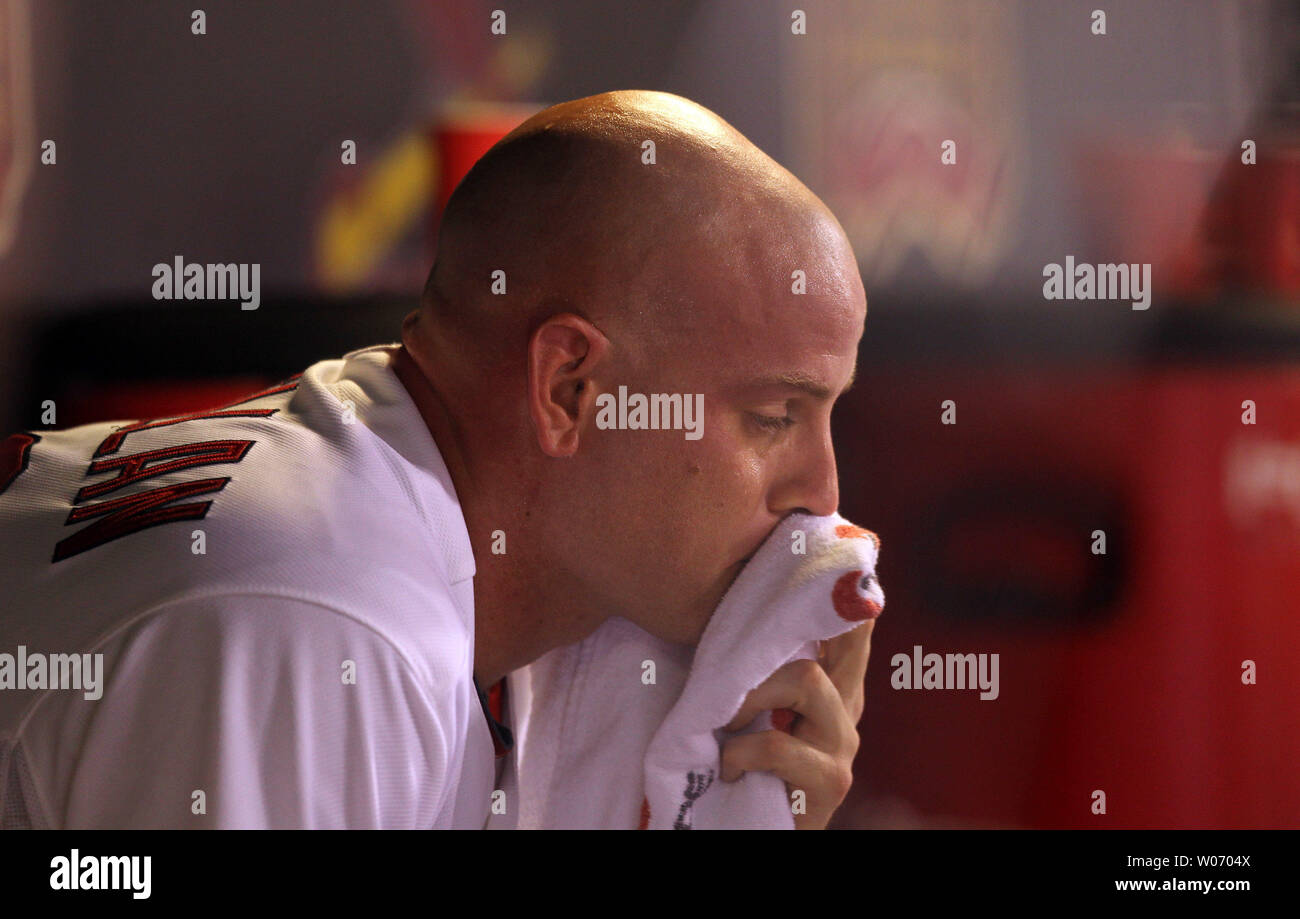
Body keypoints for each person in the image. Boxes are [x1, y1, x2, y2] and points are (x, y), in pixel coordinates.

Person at [0, 90, 873, 829]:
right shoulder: (330, 627)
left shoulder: (485, 559)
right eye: (773, 416)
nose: (821, 493)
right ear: (570, 387)